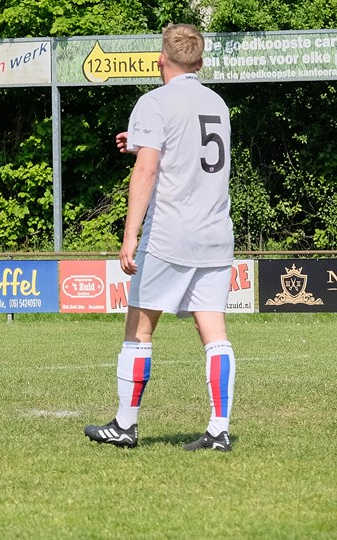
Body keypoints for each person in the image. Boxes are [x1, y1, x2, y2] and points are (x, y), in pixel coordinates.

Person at [84, 24, 236, 452]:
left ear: (160, 60)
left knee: (139, 330)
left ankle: (125, 425)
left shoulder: (153, 102)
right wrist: (140, 143)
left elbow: (148, 171)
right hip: (215, 233)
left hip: (170, 233)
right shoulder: (218, 104)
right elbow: (190, 151)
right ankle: (219, 430)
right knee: (215, 333)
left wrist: (129, 234)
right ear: (200, 63)